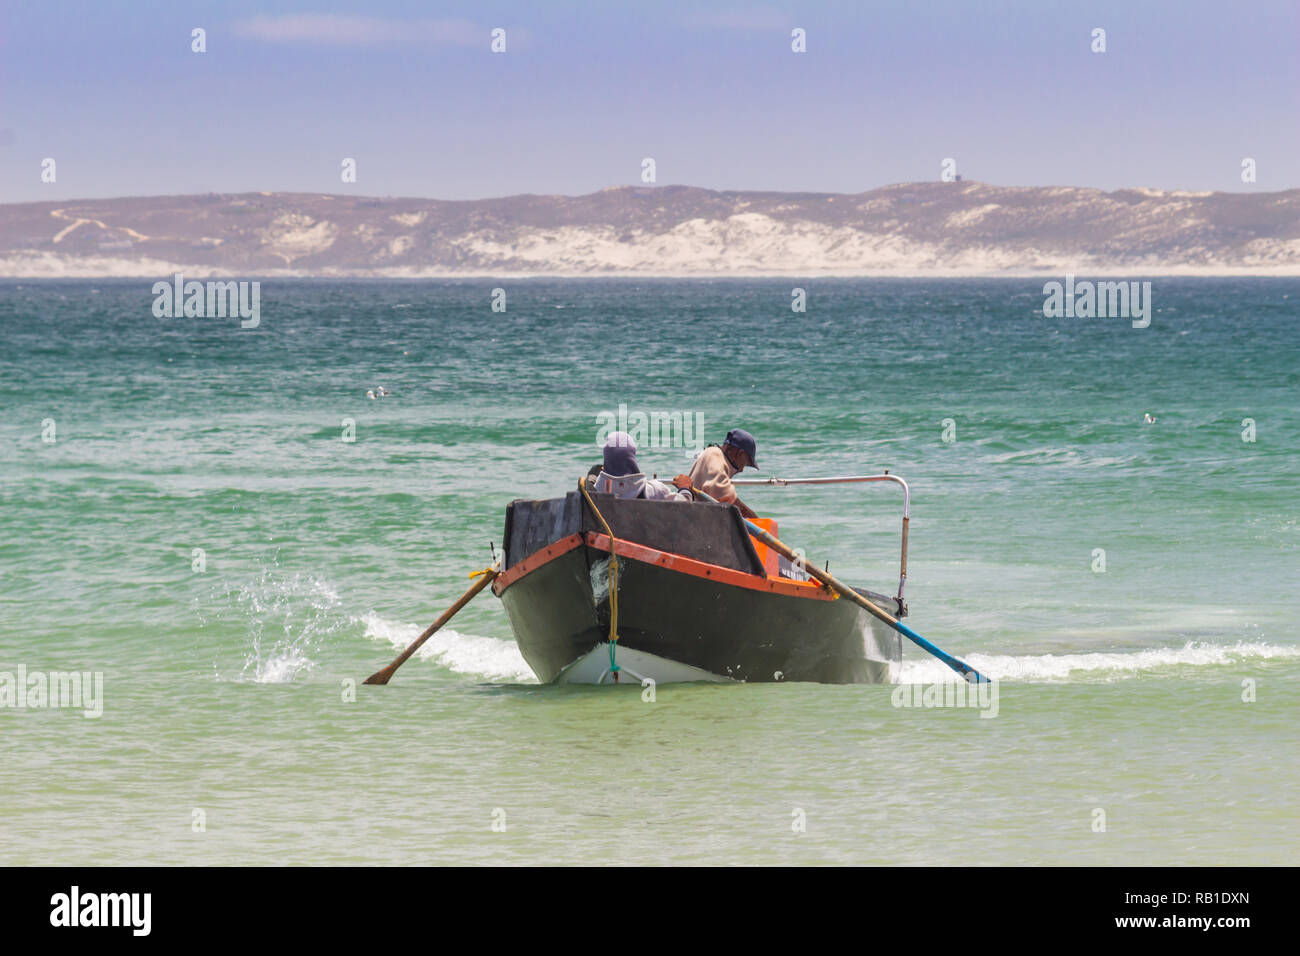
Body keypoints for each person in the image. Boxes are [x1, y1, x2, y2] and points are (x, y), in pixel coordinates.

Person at [675, 429, 759, 518]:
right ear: (739, 454)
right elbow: (725, 496)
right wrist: (752, 516)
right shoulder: (714, 454)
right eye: (745, 463)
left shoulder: (716, 457)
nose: (741, 470)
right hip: (695, 520)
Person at [591, 432, 691, 501]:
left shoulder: (593, 493)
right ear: (632, 456)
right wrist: (684, 489)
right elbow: (684, 508)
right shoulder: (655, 491)